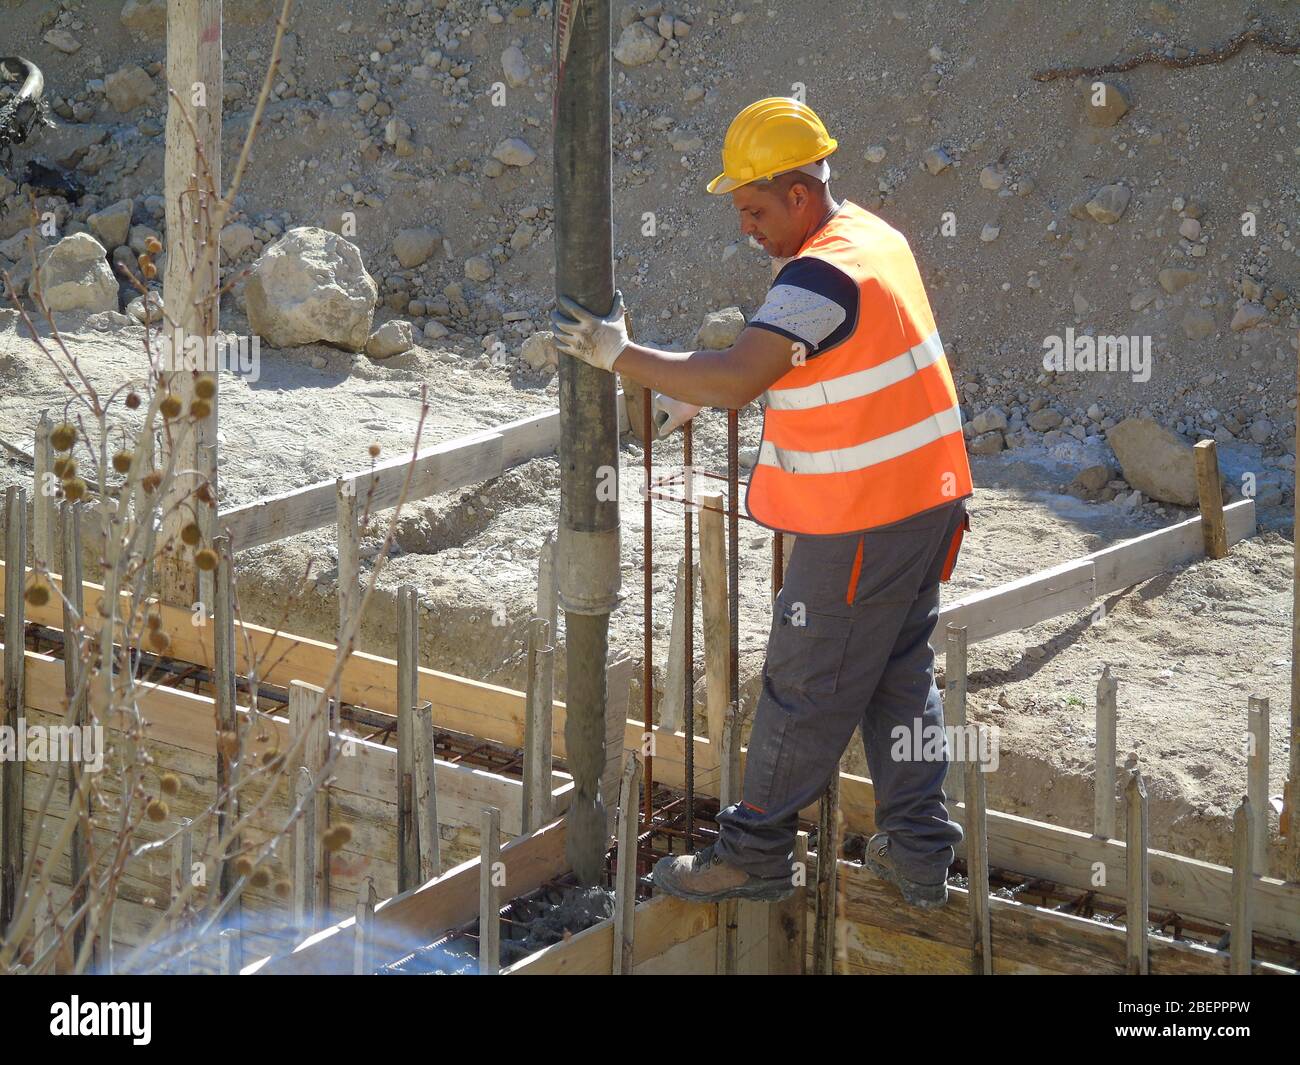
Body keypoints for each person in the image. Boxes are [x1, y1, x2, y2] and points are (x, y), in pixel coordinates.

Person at [551, 97, 973, 910]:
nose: (744, 227)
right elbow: (806, 361)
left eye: (753, 209)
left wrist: (621, 355)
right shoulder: (870, 239)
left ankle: (754, 853)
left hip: (865, 517)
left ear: (800, 194)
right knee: (895, 671)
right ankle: (920, 852)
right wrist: (690, 390)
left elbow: (744, 371)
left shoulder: (822, 270)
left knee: (805, 680)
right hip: (927, 501)